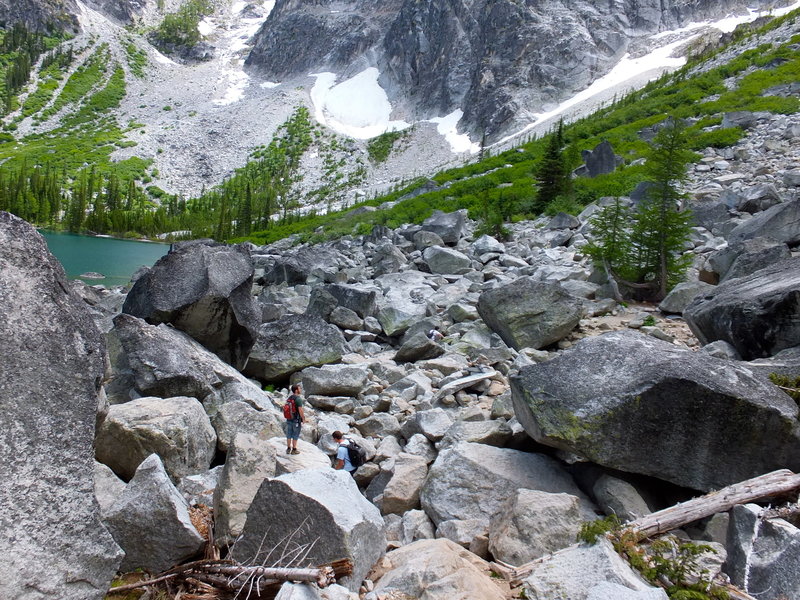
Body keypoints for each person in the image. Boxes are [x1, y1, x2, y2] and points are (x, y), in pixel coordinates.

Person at [284, 384, 305, 455]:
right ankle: (294, 449)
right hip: (296, 420)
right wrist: (303, 419)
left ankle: (288, 448)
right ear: (296, 390)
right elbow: (300, 410)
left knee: (289, 434)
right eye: (299, 389)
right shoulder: (298, 399)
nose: (300, 390)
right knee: (295, 435)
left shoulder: (290, 398)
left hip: (289, 418)